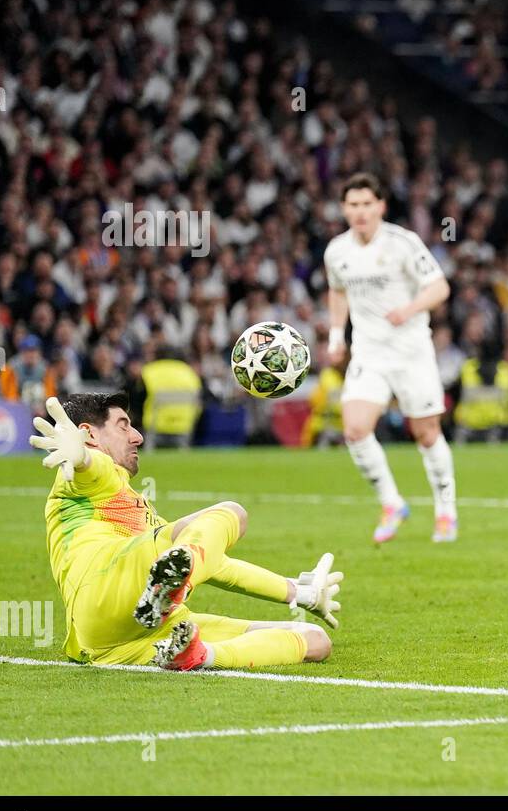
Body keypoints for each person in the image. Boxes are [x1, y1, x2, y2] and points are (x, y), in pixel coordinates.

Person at [29, 393, 341, 671]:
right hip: (109, 585)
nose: (137, 436)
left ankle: (200, 655)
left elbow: (214, 564)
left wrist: (300, 593)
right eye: (124, 426)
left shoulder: (136, 509)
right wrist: (81, 455)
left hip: (113, 643)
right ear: (89, 434)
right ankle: (168, 590)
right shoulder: (84, 478)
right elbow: (90, 466)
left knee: (314, 640)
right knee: (232, 512)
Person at [325, 173, 458, 543]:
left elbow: (440, 286)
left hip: (411, 351)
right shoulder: (336, 251)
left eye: (367, 204)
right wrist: (336, 335)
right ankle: (392, 503)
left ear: (381, 206)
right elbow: (337, 292)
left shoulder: (403, 242)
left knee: (426, 433)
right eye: (353, 204)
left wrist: (409, 309)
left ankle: (446, 510)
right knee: (355, 429)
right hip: (368, 353)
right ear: (343, 209)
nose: (360, 211)